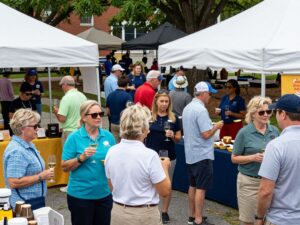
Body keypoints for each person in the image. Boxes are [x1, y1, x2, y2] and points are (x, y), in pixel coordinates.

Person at [105, 104, 171, 225]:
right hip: (144, 215)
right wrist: (165, 168)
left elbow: (111, 187)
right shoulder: (149, 155)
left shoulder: (111, 151)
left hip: (118, 212)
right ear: (144, 129)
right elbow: (165, 191)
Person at [62, 100, 115, 225]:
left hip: (104, 194)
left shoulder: (108, 136)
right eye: (94, 115)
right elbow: (64, 167)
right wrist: (81, 157)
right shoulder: (74, 137)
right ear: (84, 118)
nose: (98, 117)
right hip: (81, 196)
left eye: (100, 114)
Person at [231, 96, 279, 225]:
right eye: (261, 112)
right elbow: (234, 158)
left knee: (268, 221)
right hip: (249, 183)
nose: (266, 115)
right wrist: (252, 157)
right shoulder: (244, 132)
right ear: (252, 113)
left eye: (268, 112)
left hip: (269, 182)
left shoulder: (274, 131)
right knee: (249, 221)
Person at [182, 81, 223, 225]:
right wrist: (216, 126)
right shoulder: (200, 110)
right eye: (209, 94)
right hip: (202, 154)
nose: (210, 97)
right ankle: (198, 219)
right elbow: (206, 134)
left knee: (193, 186)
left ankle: (192, 215)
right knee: (201, 188)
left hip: (191, 153)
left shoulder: (188, 107)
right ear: (203, 94)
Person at [256, 94, 300, 225]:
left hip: (282, 218)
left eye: (275, 112)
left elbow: (265, 191)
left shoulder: (276, 146)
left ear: (283, 114)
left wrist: (259, 217)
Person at [3, 109, 54, 209]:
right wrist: (41, 176)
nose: (38, 129)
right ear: (22, 128)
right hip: (23, 204)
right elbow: (14, 182)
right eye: (35, 126)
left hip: (31, 201)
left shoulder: (27, 144)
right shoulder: (17, 151)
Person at [145, 90, 181, 224]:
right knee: (149, 184)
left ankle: (164, 211)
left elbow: (179, 138)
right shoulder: (148, 117)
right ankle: (150, 209)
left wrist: (173, 136)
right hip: (150, 156)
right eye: (162, 101)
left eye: (167, 101)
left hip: (168, 156)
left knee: (167, 184)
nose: (164, 104)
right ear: (156, 101)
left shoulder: (174, 117)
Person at [54, 76, 87, 192]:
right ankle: (80, 182)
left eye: (61, 85)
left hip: (69, 131)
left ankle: (71, 185)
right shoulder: (82, 96)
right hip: (82, 130)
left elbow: (62, 118)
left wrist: (56, 112)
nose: (61, 88)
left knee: (69, 161)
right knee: (80, 158)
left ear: (65, 85)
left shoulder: (66, 98)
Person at [106, 75, 132, 143]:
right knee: (125, 144)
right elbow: (130, 111)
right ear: (127, 84)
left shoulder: (110, 95)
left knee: (115, 144)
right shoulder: (128, 96)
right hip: (124, 124)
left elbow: (107, 111)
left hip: (113, 124)